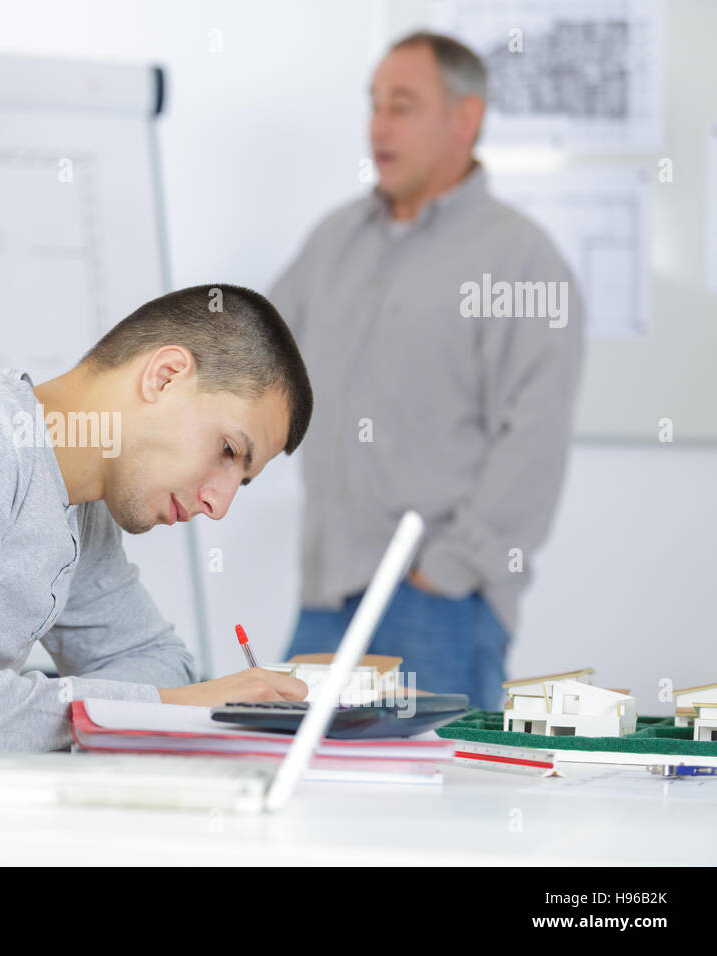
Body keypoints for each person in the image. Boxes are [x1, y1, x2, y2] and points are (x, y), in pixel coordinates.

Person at [0, 284, 312, 764]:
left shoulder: (84, 511)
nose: (218, 504)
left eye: (241, 481)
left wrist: (135, 706)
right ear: (165, 377)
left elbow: (165, 665)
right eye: (227, 450)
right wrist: (158, 710)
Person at [267, 32, 584, 709]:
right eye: (374, 104)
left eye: (402, 106)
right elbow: (259, 358)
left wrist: (445, 571)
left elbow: (534, 441)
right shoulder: (335, 241)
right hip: (324, 594)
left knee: (442, 810)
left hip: (438, 606)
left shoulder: (523, 261)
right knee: (299, 804)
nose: (378, 126)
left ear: (465, 120)